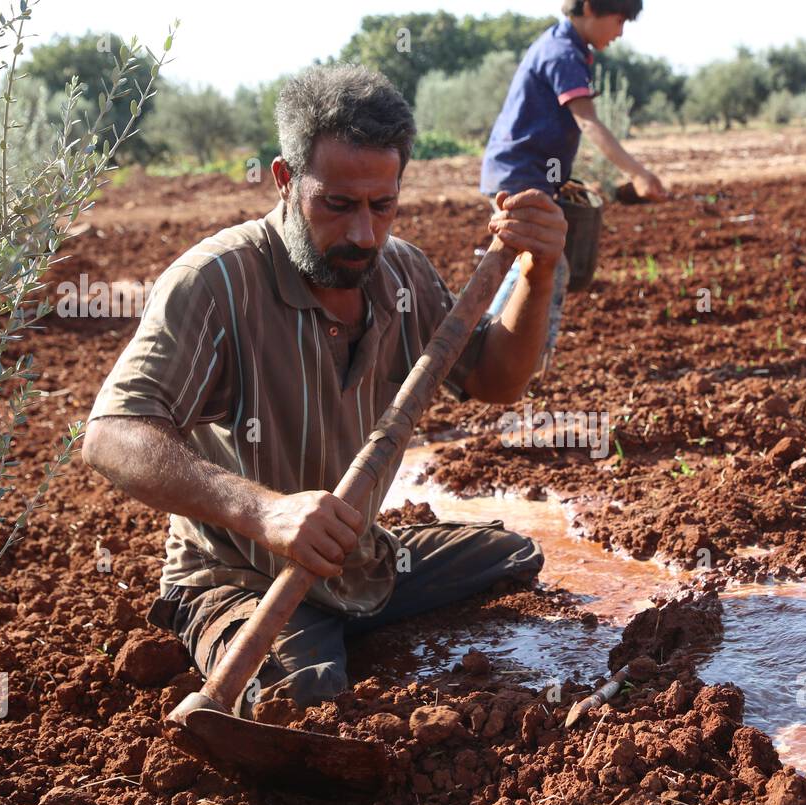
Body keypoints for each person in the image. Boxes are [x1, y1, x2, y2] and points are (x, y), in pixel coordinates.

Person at [82, 64, 567, 718]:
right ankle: (272, 640)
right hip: (244, 577)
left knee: (515, 556)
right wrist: (265, 513)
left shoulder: (401, 272)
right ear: (285, 180)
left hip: (359, 562)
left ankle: (346, 621)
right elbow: (112, 433)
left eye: (382, 205)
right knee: (302, 703)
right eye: (337, 205)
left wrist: (537, 276)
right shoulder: (217, 283)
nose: (363, 234)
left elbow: (494, 379)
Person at [480, 0, 668, 369]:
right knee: (544, 263)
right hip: (519, 174)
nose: (621, 31)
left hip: (521, 172)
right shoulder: (562, 53)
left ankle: (511, 354)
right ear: (591, 9)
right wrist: (639, 174)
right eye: (619, 20)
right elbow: (588, 123)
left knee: (533, 261)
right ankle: (489, 350)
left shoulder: (561, 45)